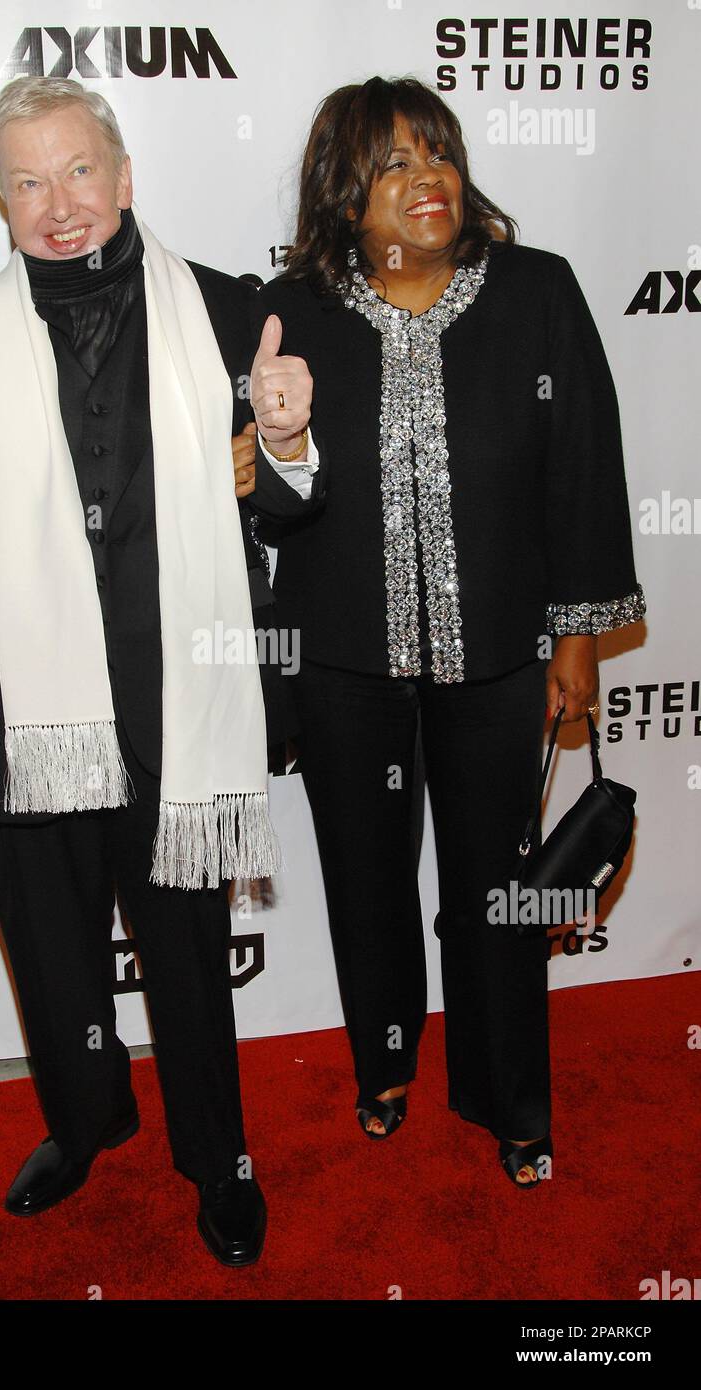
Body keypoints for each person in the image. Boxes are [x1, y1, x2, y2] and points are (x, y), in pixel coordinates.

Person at [0, 76, 312, 1265]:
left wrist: (291, 439)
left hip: (179, 705)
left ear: (123, 174)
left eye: (79, 171)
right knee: (52, 958)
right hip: (17, 713)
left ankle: (220, 1158)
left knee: (187, 961)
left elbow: (297, 514)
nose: (61, 205)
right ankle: (85, 1119)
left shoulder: (228, 314)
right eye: (28, 180)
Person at [248, 76, 646, 1187]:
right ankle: (382, 1066)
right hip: (342, 663)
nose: (426, 179)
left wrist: (575, 640)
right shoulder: (297, 315)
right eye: (391, 164)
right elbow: (266, 502)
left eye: (437, 154)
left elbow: (581, 474)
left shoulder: (536, 293)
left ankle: (510, 1097)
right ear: (343, 195)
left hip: (497, 660)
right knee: (365, 881)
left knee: (498, 889)